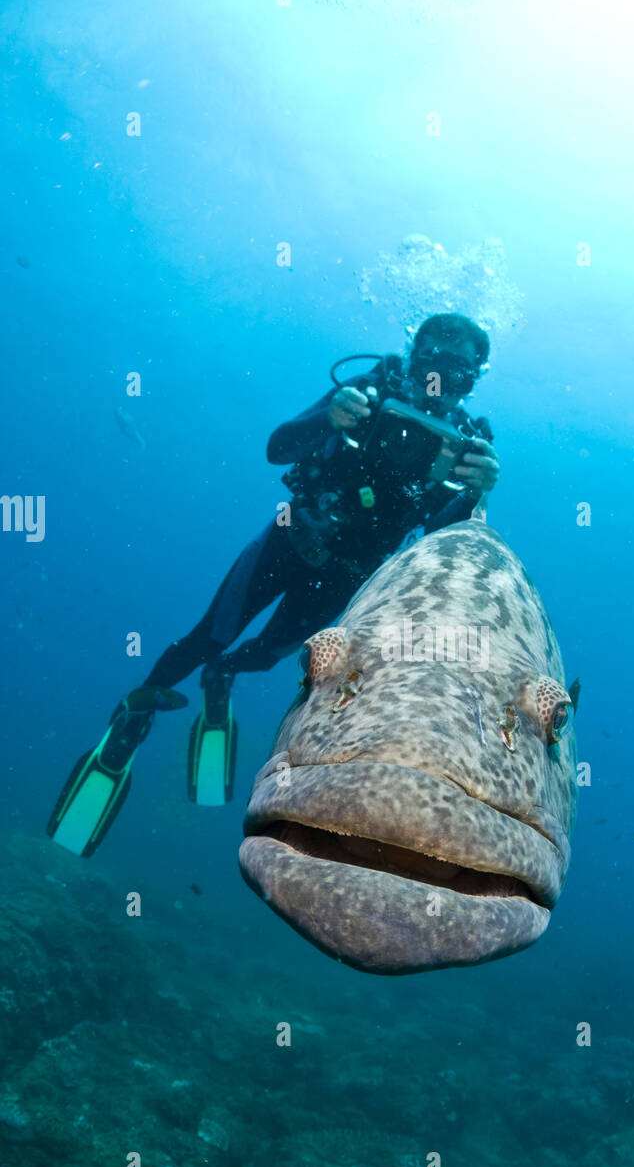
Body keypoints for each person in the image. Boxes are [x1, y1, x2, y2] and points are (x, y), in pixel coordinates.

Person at [47, 312, 499, 856]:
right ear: (414, 353)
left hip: (346, 576)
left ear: (473, 379)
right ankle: (133, 720)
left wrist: (475, 492)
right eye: (433, 356)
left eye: (458, 367)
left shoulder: (464, 445)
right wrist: (329, 419)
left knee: (265, 656)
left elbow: (437, 538)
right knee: (206, 637)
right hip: (287, 541)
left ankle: (224, 677)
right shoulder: (370, 392)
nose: (441, 375)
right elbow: (277, 447)